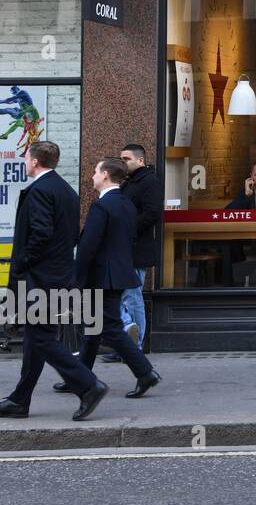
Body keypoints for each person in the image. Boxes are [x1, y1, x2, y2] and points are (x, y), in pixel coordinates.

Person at [0, 141, 108, 421]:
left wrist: (22, 262)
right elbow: (71, 235)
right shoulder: (65, 190)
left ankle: (88, 385)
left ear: (35, 161)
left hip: (41, 279)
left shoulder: (40, 191)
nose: (25, 161)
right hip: (58, 275)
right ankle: (20, 400)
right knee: (35, 340)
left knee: (43, 339)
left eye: (26, 157)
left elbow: (41, 234)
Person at [53, 158, 161, 400]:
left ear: (104, 175)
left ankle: (145, 372)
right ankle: (81, 377)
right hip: (119, 272)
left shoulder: (102, 206)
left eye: (94, 171)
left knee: (109, 328)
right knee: (95, 328)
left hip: (102, 275)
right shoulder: (126, 203)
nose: (91, 176)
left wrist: (76, 279)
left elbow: (88, 246)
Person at [116, 143, 162, 352]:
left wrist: (127, 228)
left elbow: (152, 214)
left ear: (140, 160)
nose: (123, 163)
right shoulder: (129, 182)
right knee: (125, 297)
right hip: (125, 248)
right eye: (121, 159)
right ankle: (127, 344)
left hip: (137, 249)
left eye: (126, 159)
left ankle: (135, 346)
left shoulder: (149, 182)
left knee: (132, 298)